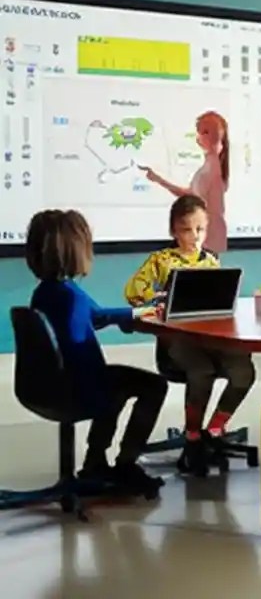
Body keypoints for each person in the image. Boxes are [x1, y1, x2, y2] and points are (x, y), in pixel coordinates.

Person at [25, 209, 166, 495]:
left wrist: (137, 312)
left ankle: (96, 460)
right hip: (77, 387)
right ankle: (125, 463)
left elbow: (96, 316)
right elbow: (90, 324)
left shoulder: (49, 291)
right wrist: (139, 317)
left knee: (115, 382)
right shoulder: (69, 295)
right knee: (152, 386)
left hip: (48, 384)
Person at [124, 195, 256, 474]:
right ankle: (193, 436)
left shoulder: (211, 261)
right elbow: (133, 292)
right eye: (186, 229)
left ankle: (216, 428)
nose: (194, 236)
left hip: (213, 337)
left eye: (200, 229)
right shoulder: (160, 260)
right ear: (174, 231)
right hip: (179, 342)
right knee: (201, 371)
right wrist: (159, 297)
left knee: (243, 370)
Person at [142, 110, 230, 254]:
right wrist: (158, 179)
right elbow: (191, 196)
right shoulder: (210, 166)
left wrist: (159, 180)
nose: (198, 137)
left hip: (207, 240)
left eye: (203, 132)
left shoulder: (211, 169)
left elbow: (193, 199)